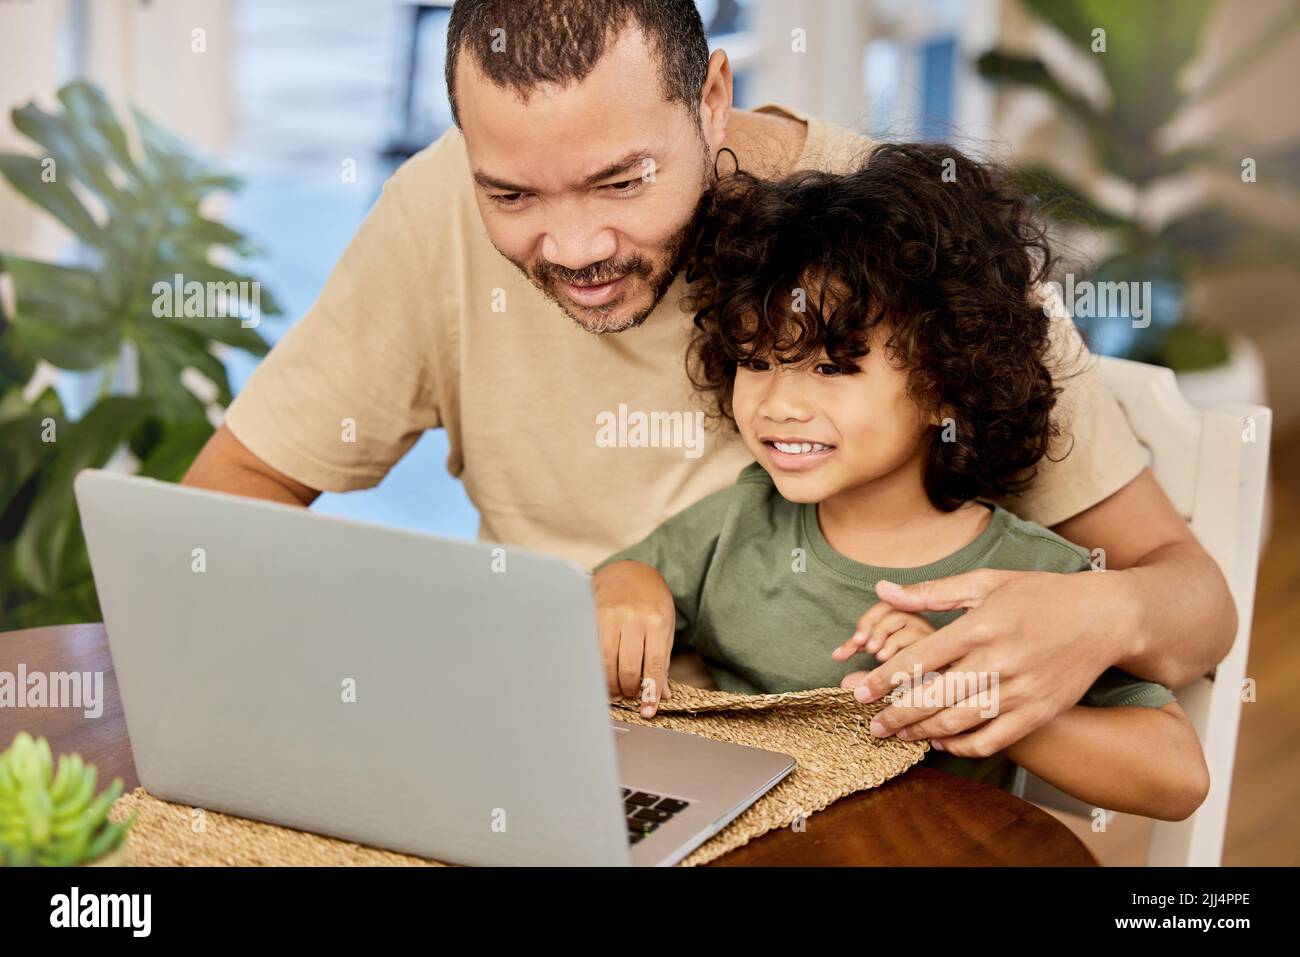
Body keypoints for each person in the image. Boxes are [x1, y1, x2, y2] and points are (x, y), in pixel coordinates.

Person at [182, 0, 1235, 759]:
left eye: (622, 179)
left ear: (711, 99)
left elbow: (1189, 601)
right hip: (550, 767)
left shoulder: (900, 250)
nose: (576, 245)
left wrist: (1096, 622)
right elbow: (226, 502)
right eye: (510, 193)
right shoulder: (432, 213)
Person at [592, 144, 1210, 819]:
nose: (778, 404)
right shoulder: (739, 522)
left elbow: (1178, 775)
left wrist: (984, 698)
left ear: (947, 383)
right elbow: (627, 579)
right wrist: (628, 583)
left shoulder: (1032, 582)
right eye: (757, 360)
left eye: (833, 368)